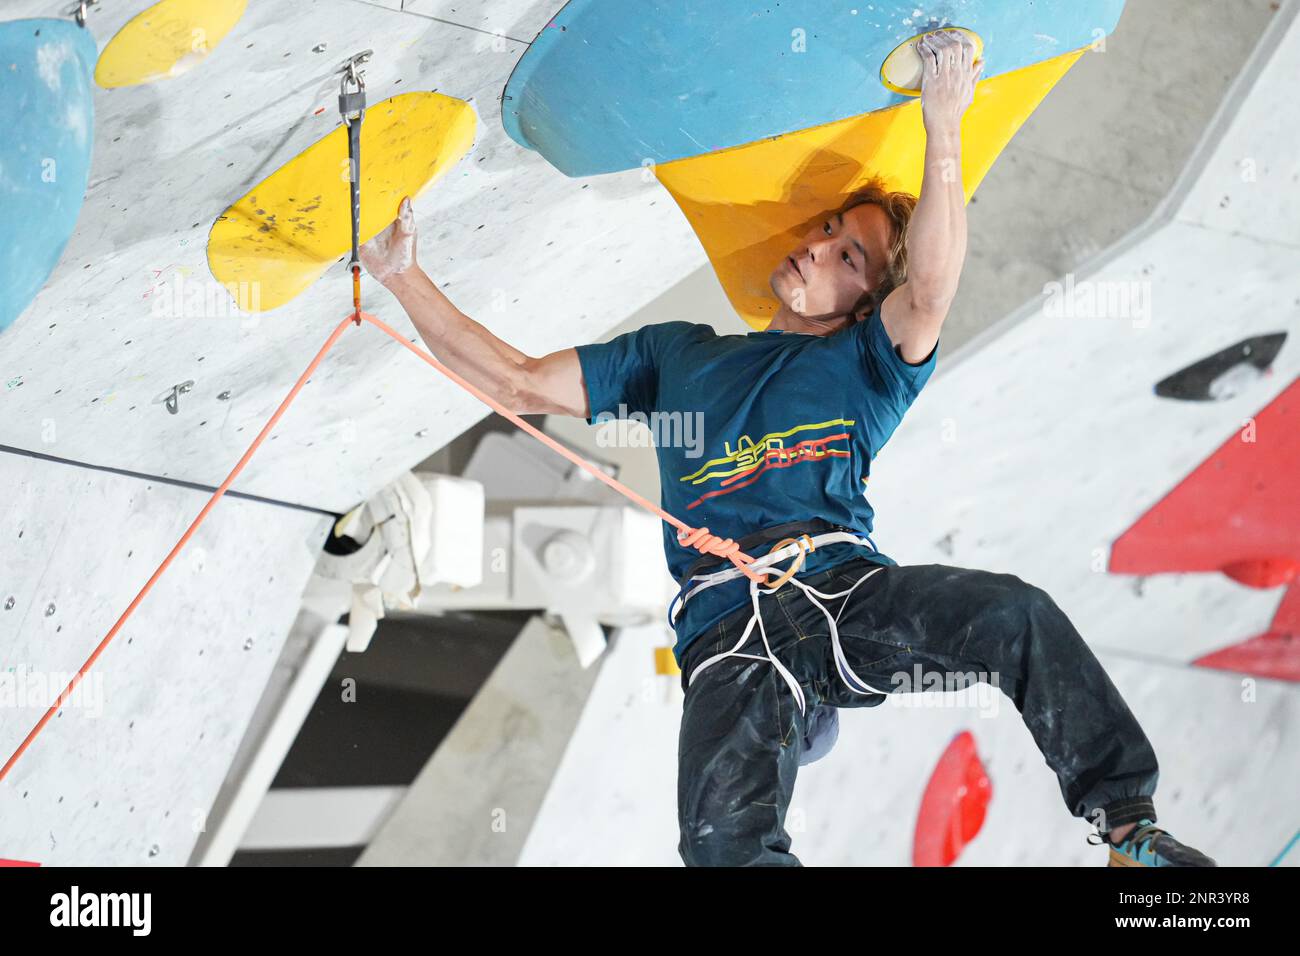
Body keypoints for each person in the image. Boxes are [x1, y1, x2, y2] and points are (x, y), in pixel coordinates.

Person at [360, 30, 1215, 868]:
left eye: (850, 255)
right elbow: (516, 382)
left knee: (1013, 616)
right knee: (723, 846)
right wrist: (401, 275)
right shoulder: (676, 357)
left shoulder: (865, 367)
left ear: (862, 302)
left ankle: (1128, 830)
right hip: (729, 634)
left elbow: (932, 285)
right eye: (831, 228)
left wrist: (943, 121)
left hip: (846, 597)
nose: (817, 244)